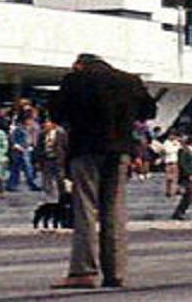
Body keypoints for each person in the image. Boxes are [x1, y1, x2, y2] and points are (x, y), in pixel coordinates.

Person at [45, 53, 157, 291]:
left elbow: (56, 113)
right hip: (120, 150)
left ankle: (83, 271)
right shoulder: (130, 80)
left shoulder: (75, 80)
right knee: (114, 210)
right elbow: (149, 111)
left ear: (79, 65)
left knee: (85, 209)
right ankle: (116, 272)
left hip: (85, 149)